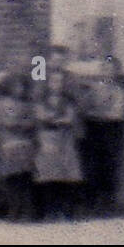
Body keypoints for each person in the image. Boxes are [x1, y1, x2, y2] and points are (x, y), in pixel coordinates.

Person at [70, 47, 124, 215]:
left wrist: (96, 113)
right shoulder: (93, 89)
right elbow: (83, 109)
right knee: (90, 166)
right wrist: (95, 112)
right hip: (93, 130)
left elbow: (116, 113)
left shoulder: (120, 92)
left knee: (108, 166)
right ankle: (89, 204)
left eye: (111, 70)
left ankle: (107, 205)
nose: (107, 73)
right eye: (104, 69)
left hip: (110, 131)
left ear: (116, 72)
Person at [34, 82, 83, 221]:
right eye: (53, 82)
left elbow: (69, 118)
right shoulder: (42, 101)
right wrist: (56, 119)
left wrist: (54, 119)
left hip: (64, 139)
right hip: (47, 139)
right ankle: (50, 211)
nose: (56, 85)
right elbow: (41, 117)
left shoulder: (68, 102)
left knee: (65, 174)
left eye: (59, 82)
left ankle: (65, 211)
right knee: (48, 174)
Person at [0, 70, 36, 222]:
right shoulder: (2, 104)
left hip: (24, 145)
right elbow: (7, 123)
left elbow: (31, 122)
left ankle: (27, 211)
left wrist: (21, 124)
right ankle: (14, 211)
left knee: (25, 177)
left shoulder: (27, 105)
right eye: (16, 87)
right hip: (9, 144)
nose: (19, 90)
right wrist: (20, 124)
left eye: (22, 87)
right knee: (11, 179)